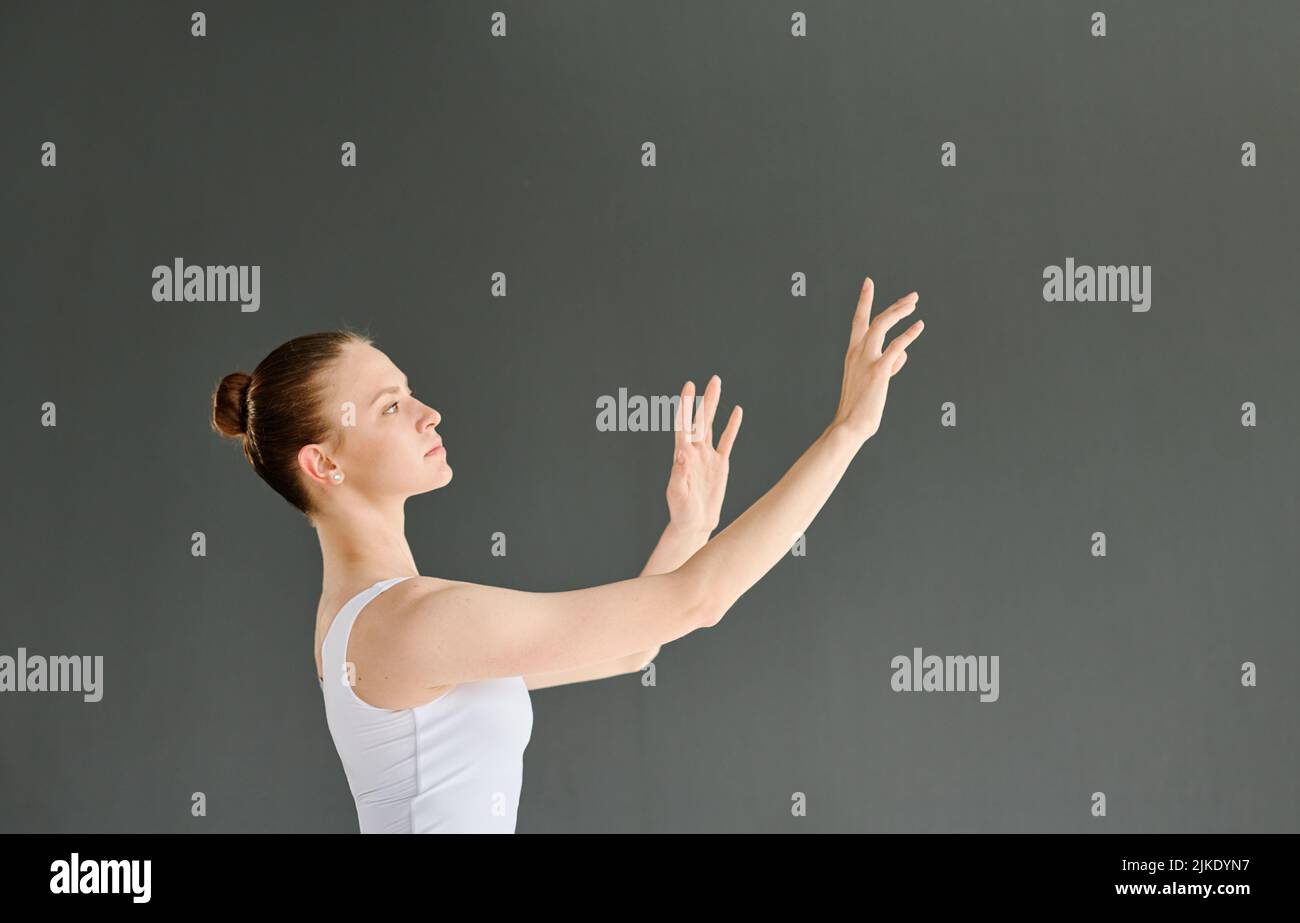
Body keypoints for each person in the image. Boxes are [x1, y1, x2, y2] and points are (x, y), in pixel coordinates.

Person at [209, 275, 923, 832]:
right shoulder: (405, 622)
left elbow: (627, 651)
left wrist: (686, 527)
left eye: (410, 391)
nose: (429, 412)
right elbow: (697, 602)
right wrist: (848, 432)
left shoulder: (371, 622)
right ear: (323, 464)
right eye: (390, 406)